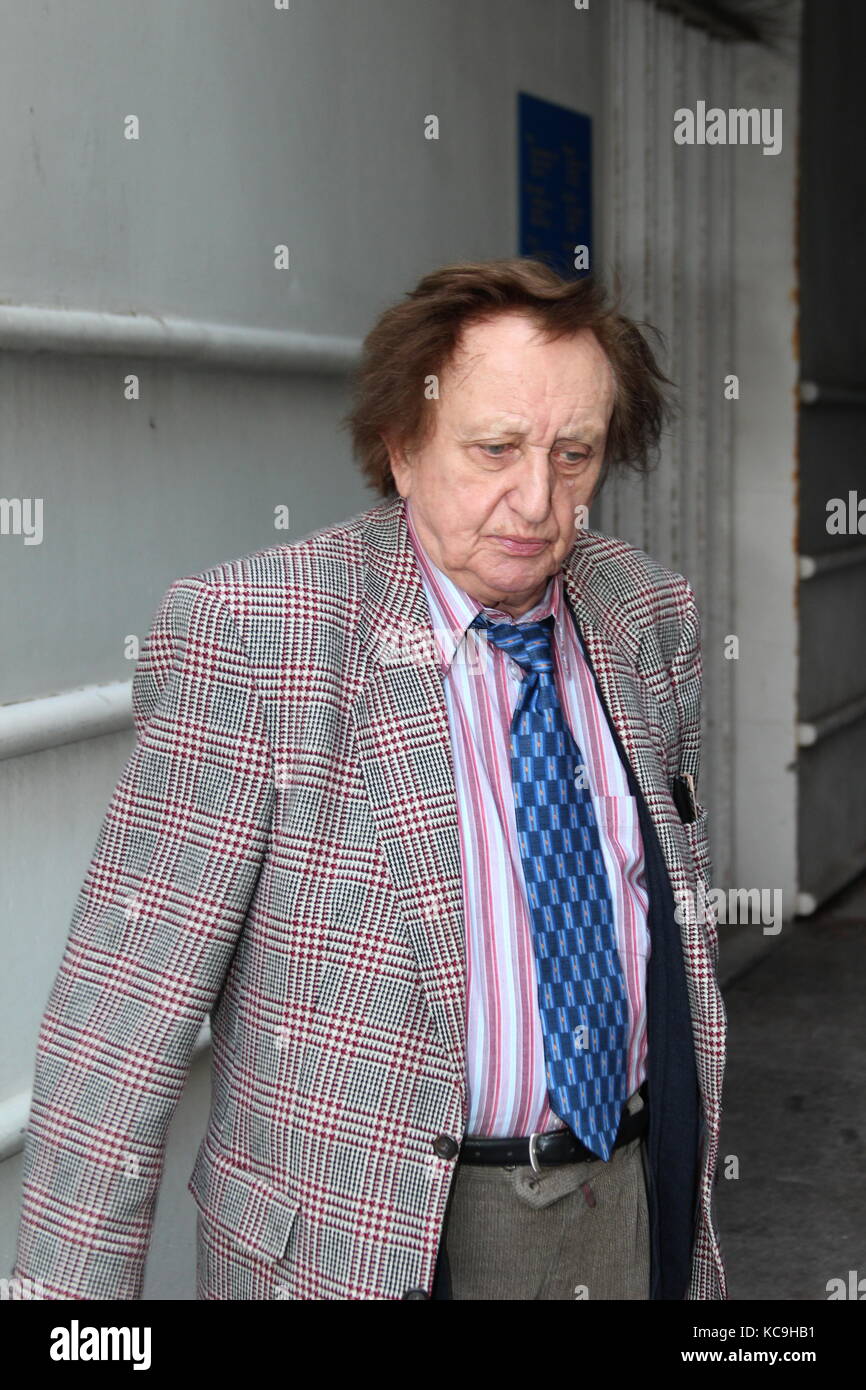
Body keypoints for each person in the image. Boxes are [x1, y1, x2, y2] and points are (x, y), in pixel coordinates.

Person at [12, 257, 726, 1300]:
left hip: (623, 1206)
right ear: (400, 446)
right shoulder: (259, 639)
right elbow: (118, 1025)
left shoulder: (645, 614)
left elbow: (663, 936)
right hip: (362, 1245)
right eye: (494, 450)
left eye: (573, 454)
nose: (538, 500)